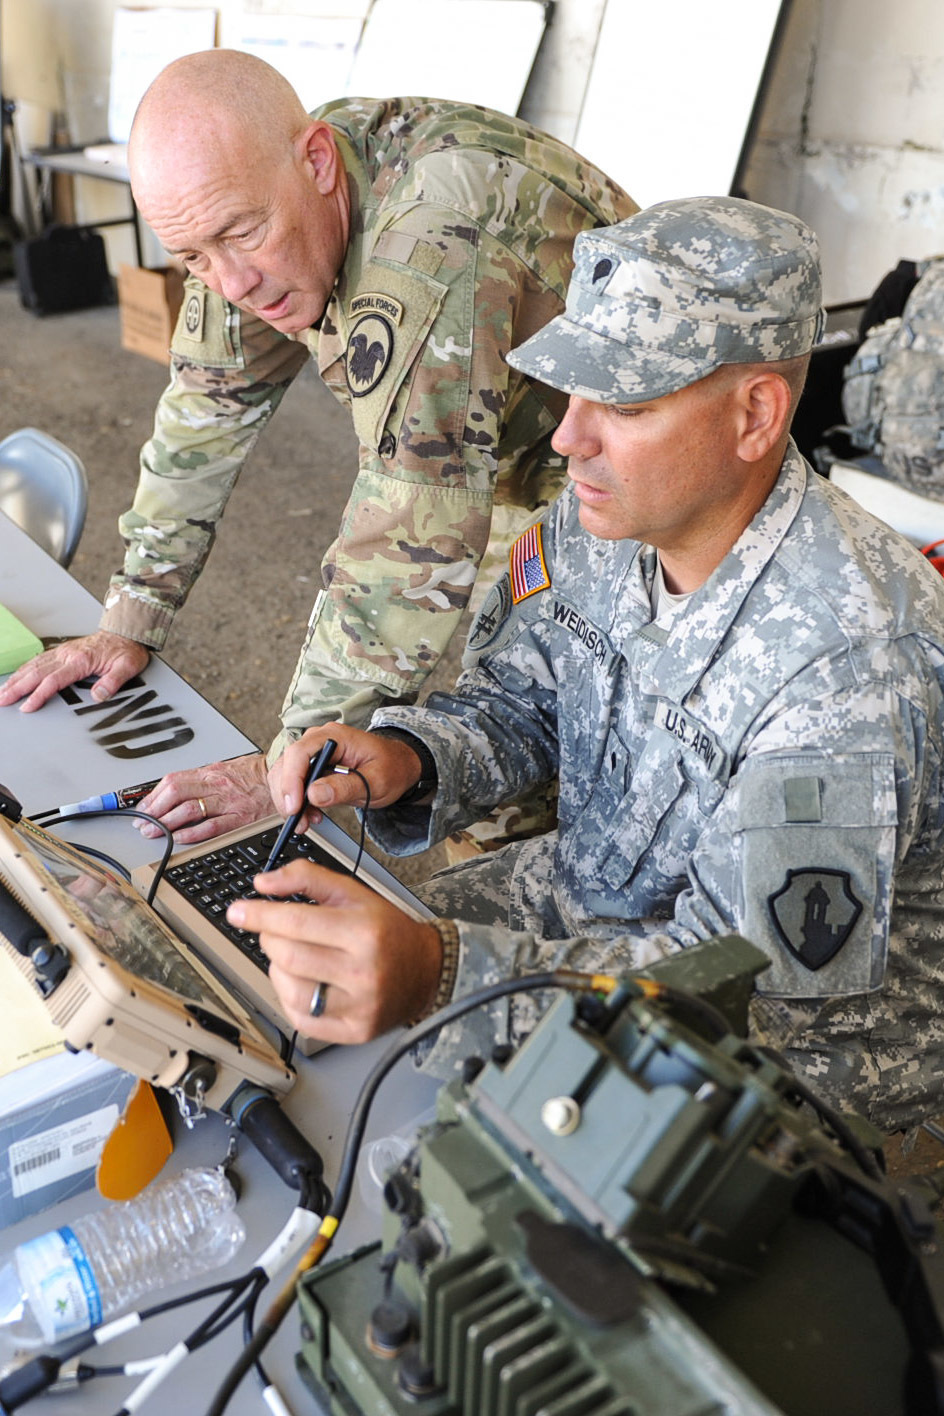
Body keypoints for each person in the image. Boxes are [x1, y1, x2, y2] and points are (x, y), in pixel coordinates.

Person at [222, 196, 944, 1136]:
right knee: (281, 988)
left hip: (804, 1061)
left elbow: (739, 994)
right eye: (572, 392)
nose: (568, 438)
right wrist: (410, 758)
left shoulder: (851, 667)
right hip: (597, 900)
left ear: (756, 413)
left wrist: (440, 978)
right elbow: (518, 700)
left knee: (418, 1144)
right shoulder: (609, 514)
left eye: (625, 402)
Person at [0, 49, 635, 854]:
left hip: (633, 466)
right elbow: (206, 408)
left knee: (540, 733)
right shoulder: (239, 203)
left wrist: (288, 765)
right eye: (194, 256)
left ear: (319, 163)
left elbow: (410, 535)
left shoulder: (429, 244)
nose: (231, 282)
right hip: (510, 440)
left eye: (240, 235)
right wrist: (132, 615)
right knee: (489, 729)